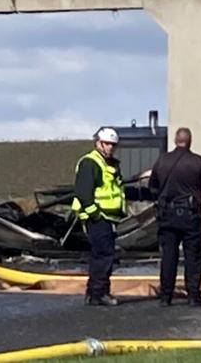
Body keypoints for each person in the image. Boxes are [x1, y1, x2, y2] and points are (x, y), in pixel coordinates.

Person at [149, 127, 201, 306]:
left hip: (167, 215)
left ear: (175, 141)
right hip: (191, 215)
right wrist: (199, 200)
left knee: (169, 256)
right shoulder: (198, 162)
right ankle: (193, 296)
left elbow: (152, 187)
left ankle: (166, 296)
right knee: (193, 256)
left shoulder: (162, 161)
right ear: (190, 141)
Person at [71, 127, 127, 307]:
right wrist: (95, 214)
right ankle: (99, 293)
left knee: (100, 256)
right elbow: (83, 192)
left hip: (108, 217)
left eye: (113, 145)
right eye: (107, 144)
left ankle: (94, 292)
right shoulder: (91, 163)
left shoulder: (110, 165)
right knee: (104, 256)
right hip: (98, 217)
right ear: (98, 143)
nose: (110, 148)